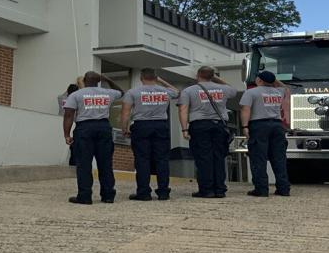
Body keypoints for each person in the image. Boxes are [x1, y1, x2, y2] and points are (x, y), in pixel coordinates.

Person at [178, 66, 239, 199]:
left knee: (203, 158)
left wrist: (184, 129)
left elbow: (183, 109)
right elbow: (234, 90)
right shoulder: (223, 89)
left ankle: (207, 189)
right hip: (219, 126)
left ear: (198, 75)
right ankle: (220, 189)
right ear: (212, 76)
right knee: (218, 157)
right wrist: (216, 79)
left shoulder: (189, 91)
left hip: (199, 126)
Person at [63, 71, 121, 204]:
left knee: (84, 164)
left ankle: (85, 196)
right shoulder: (108, 93)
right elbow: (121, 92)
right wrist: (108, 79)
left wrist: (67, 135)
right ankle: (108, 195)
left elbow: (68, 115)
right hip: (104, 127)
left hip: (84, 129)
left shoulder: (76, 95)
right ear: (98, 81)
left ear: (84, 80)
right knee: (105, 163)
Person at [121, 68, 177, 201]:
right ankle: (163, 192)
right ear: (155, 77)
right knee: (162, 159)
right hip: (161, 125)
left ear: (141, 78)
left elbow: (125, 112)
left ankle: (144, 192)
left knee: (142, 159)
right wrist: (161, 81)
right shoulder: (165, 91)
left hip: (141, 126)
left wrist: (124, 128)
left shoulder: (133, 92)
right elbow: (177, 92)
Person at [239, 70, 290, 197]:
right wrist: (273, 80)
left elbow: (246, 109)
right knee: (279, 158)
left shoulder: (251, 92)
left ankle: (261, 189)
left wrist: (245, 126)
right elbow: (285, 87)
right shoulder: (279, 92)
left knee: (258, 157)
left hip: (259, 125)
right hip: (277, 126)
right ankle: (283, 188)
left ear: (259, 80)